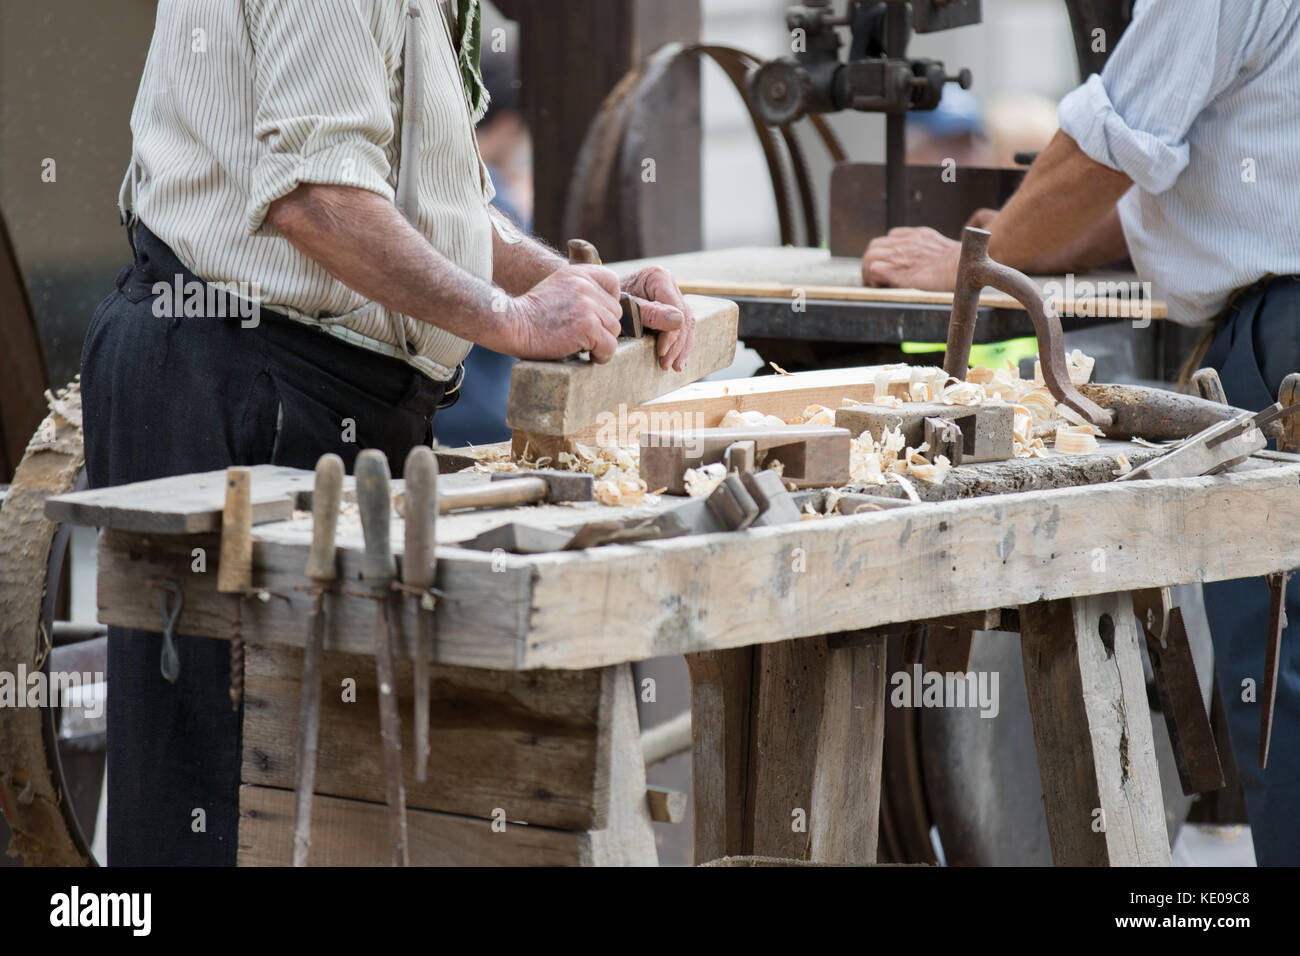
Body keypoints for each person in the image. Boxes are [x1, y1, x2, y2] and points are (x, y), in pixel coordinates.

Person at [80, 0, 696, 866]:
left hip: (321, 390)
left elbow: (436, 213)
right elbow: (315, 201)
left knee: (333, 811)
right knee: (223, 807)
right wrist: (509, 318)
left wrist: (585, 289)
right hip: (233, 379)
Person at [860, 0, 1300, 864]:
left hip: (1284, 339)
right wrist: (1035, 244)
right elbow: (1199, 186)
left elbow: (1111, 146)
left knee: (1287, 686)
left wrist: (973, 263)